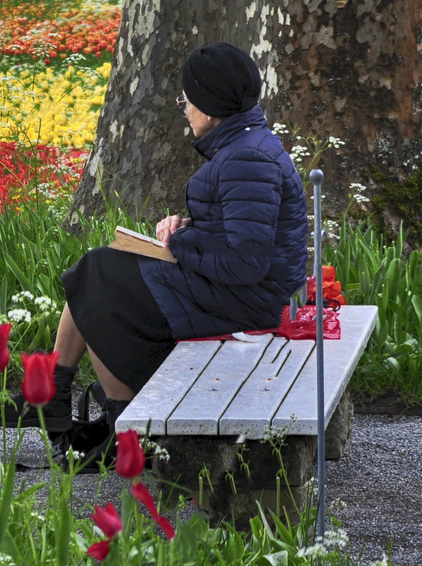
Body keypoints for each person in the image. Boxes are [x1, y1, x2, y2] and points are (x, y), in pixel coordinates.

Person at [44, 43, 308, 465]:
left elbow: (246, 263)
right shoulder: (246, 145)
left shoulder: (247, 159)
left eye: (186, 100)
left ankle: (125, 426)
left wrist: (181, 244)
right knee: (97, 269)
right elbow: (240, 235)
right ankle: (56, 397)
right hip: (240, 293)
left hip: (246, 304)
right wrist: (188, 229)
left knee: (99, 279)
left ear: (209, 107)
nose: (184, 109)